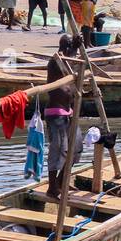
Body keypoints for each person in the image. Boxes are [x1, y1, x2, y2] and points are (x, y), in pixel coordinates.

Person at [43, 56, 75, 200]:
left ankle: (60, 181)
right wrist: (72, 49)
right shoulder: (56, 61)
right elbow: (62, 61)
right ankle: (52, 187)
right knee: (58, 150)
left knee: (76, 149)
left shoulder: (69, 62)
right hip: (56, 116)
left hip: (69, 115)